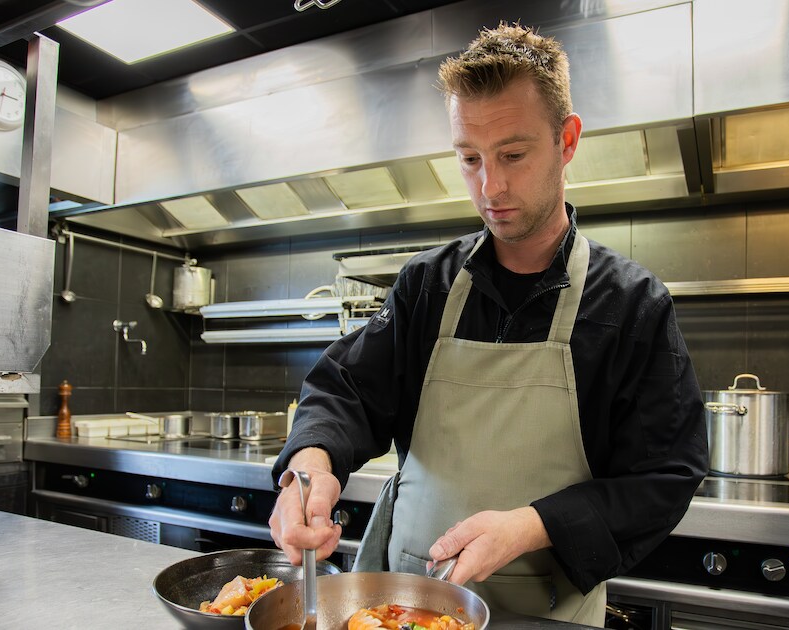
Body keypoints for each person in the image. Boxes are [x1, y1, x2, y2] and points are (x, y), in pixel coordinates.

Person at [269, 22, 708, 626]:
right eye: (469, 158)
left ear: (568, 140)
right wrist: (311, 465)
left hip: (546, 612)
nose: (490, 186)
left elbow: (665, 476)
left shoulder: (631, 305)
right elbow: (346, 390)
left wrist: (531, 525)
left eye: (513, 155)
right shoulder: (428, 285)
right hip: (410, 604)